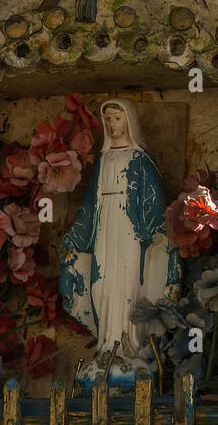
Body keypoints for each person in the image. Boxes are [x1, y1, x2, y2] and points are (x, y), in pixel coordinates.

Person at [59, 99, 180, 359]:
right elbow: (91, 202)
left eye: (116, 118)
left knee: (126, 282)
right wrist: (76, 236)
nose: (111, 123)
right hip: (104, 226)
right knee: (101, 283)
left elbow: (152, 196)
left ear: (128, 121)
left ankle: (130, 345)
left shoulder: (139, 159)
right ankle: (106, 343)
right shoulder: (103, 158)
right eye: (108, 119)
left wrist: (157, 231)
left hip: (129, 229)